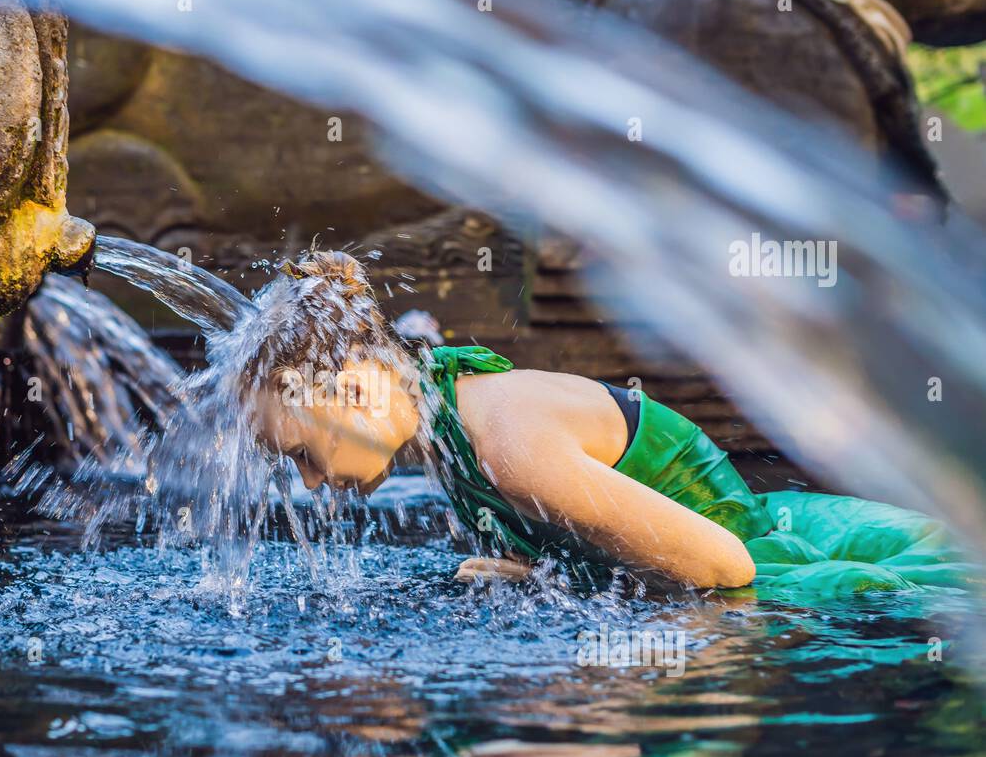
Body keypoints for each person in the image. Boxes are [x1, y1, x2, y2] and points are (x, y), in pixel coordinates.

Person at [250, 250, 977, 595]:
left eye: (302, 454)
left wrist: (551, 582)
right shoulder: (446, 407)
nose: (312, 484)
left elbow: (727, 569)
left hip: (788, 568)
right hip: (765, 533)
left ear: (348, 390)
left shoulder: (509, 445)